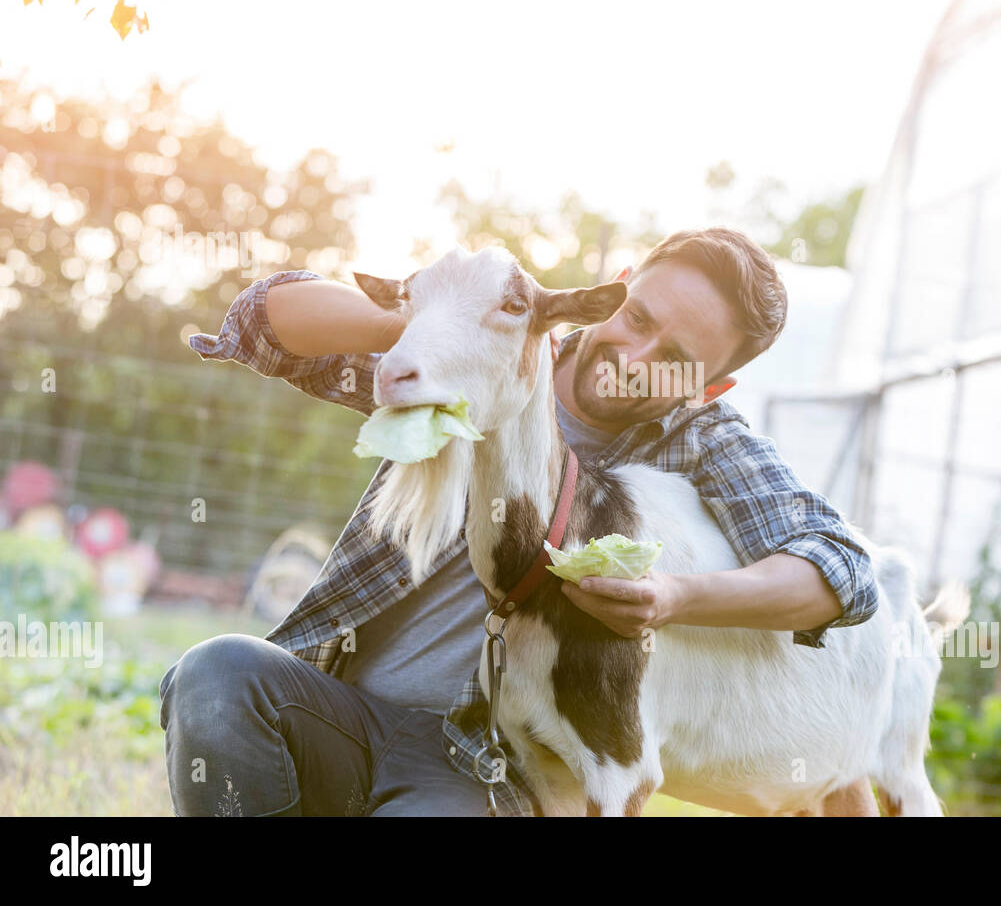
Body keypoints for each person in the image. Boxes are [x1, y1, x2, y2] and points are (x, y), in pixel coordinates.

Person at [158, 226, 878, 816]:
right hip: (342, 712)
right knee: (217, 675)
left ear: (707, 388)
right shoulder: (471, 346)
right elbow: (262, 324)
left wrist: (675, 598)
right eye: (637, 318)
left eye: (676, 361)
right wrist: (428, 317)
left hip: (480, 772)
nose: (635, 358)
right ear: (612, 290)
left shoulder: (698, 439)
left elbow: (839, 572)